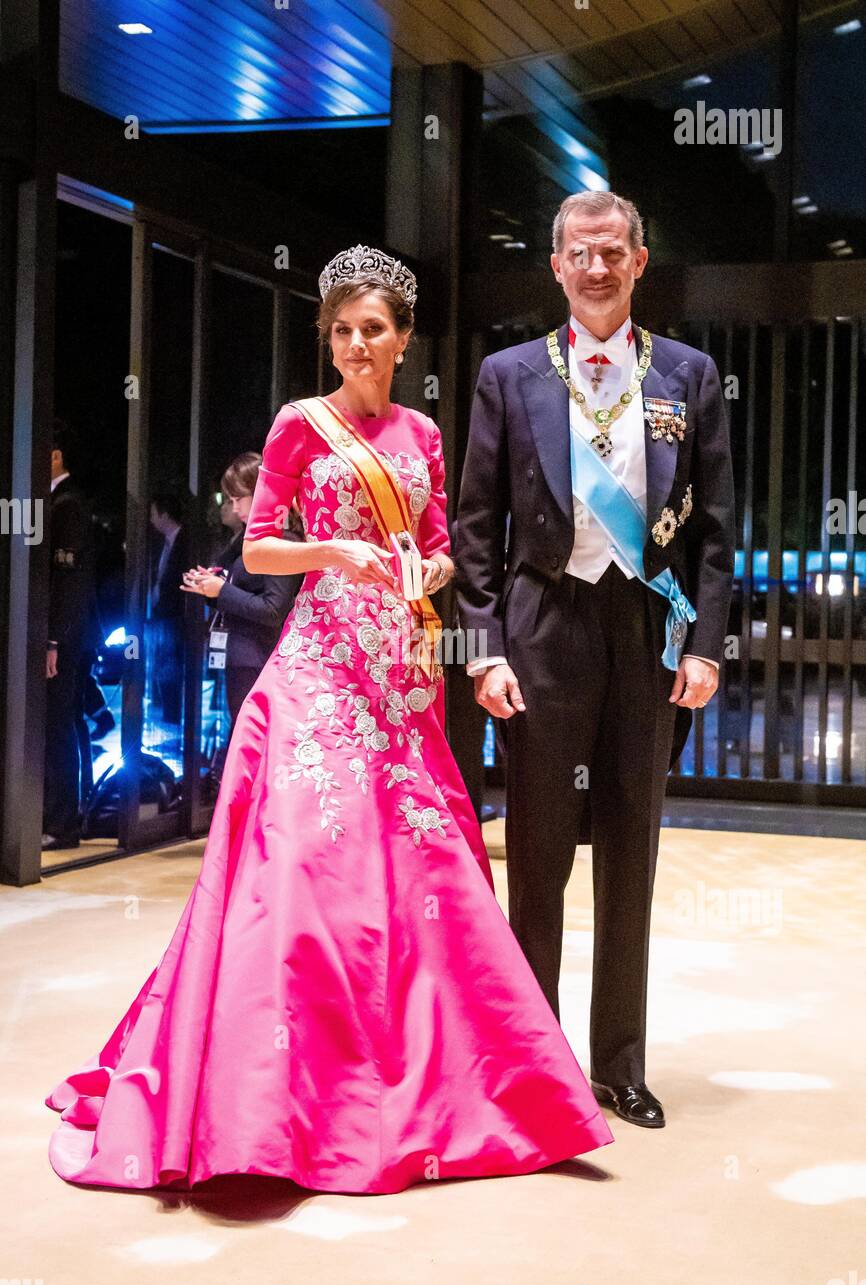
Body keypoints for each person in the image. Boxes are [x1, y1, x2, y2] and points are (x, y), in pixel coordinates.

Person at [43, 244, 613, 1195]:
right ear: (329, 339)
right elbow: (259, 551)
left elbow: (437, 549)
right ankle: (277, 1098)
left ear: (402, 340)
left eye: (373, 331)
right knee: (308, 861)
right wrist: (334, 552)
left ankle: (433, 1085)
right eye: (341, 332)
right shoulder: (299, 428)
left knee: (422, 866)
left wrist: (429, 571)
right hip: (317, 666)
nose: (356, 347)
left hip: (400, 671)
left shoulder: (426, 436)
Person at [454, 190, 736, 1130]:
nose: (599, 267)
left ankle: (619, 1063)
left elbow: (717, 536)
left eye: (614, 252)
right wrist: (483, 653)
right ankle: (537, 1067)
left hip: (648, 634)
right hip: (542, 633)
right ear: (557, 265)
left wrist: (704, 645)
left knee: (631, 853)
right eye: (581, 253)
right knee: (537, 859)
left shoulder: (690, 376)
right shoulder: (509, 374)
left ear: (640, 262)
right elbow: (475, 528)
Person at [180, 452, 301, 728]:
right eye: (230, 500)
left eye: (238, 499)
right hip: (246, 657)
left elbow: (273, 609)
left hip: (259, 660)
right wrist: (212, 587)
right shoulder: (256, 539)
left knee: (252, 743)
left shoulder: (281, 539)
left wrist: (221, 590)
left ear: (260, 493)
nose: (234, 508)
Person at [43, 419, 101, 851]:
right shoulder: (62, 503)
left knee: (60, 727)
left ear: (56, 456)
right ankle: (64, 818)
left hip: (66, 636)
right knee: (65, 725)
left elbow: (70, 582)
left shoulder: (68, 506)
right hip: (68, 634)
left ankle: (63, 823)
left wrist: (55, 640)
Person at [148, 492, 188, 728]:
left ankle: (172, 715)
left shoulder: (183, 541)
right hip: (164, 615)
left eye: (154, 513)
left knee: (169, 663)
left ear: (164, 514)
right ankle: (169, 713)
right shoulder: (166, 542)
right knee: (165, 662)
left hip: (174, 617)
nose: (151, 519)